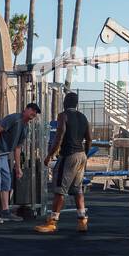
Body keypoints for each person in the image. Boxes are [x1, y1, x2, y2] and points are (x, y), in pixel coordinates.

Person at [36, 92, 91, 233]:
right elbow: (89, 138)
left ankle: (52, 222)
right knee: (78, 189)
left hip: (68, 156)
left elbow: (59, 137)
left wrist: (50, 155)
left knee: (60, 189)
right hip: (81, 155)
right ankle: (82, 220)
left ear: (65, 102)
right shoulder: (83, 117)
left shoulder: (63, 115)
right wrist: (86, 154)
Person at [0, 102, 40, 224]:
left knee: (6, 181)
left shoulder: (26, 128)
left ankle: (5, 211)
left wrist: (18, 167)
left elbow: (18, 148)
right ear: (26, 109)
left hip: (4, 154)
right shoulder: (14, 118)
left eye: (36, 112)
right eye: (32, 110)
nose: (34, 114)